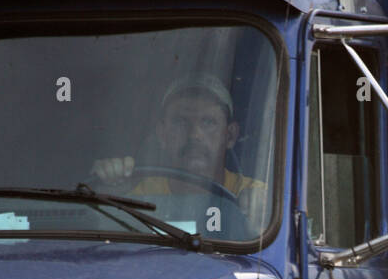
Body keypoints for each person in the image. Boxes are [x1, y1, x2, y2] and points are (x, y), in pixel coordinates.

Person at [92, 74, 267, 229]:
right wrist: (106, 195)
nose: (194, 135)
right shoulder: (138, 195)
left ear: (230, 136)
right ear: (162, 134)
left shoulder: (256, 198)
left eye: (208, 122)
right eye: (180, 122)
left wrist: (261, 214)